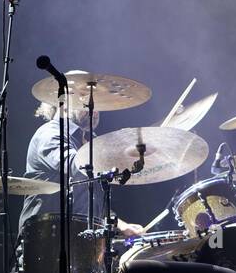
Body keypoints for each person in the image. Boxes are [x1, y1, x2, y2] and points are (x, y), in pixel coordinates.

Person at [18, 96, 146, 238]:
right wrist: (115, 152)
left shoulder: (88, 139)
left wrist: (121, 225)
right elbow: (77, 167)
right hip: (47, 237)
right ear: (63, 103)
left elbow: (94, 199)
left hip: (82, 239)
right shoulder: (49, 133)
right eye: (86, 102)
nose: (95, 110)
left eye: (96, 104)